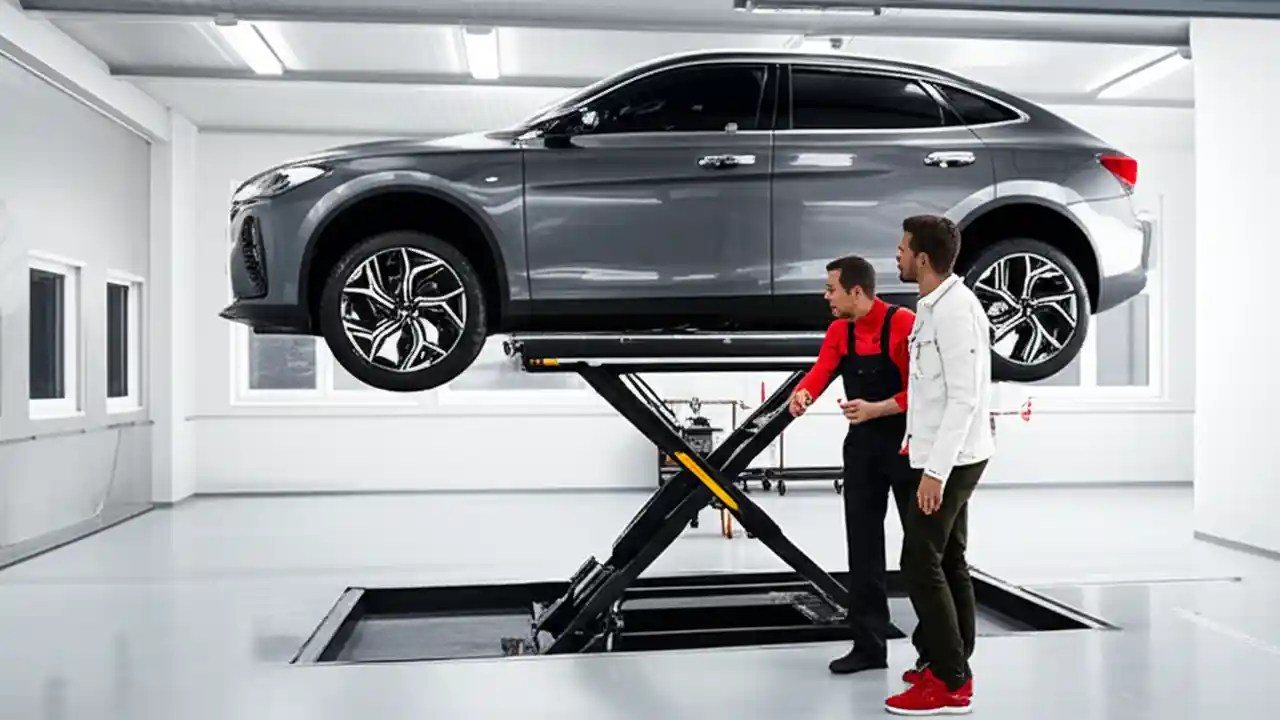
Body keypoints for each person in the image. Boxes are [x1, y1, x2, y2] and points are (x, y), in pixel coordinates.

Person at [787, 255, 921, 675]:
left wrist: (877, 409)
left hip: (906, 448)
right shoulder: (839, 331)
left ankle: (933, 652)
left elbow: (924, 392)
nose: (826, 296)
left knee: (920, 554)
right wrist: (803, 395)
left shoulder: (903, 323)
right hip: (862, 449)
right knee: (863, 551)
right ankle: (868, 647)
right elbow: (821, 370)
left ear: (856, 291)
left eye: (831, 289)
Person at [884, 215, 995, 717]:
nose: (899, 255)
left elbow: (964, 399)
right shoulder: (932, 306)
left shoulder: (954, 312)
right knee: (948, 559)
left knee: (918, 562)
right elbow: (931, 393)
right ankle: (947, 659)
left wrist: (935, 473)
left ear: (923, 259)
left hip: (953, 458)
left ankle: (952, 682)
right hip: (935, 453)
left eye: (904, 248)